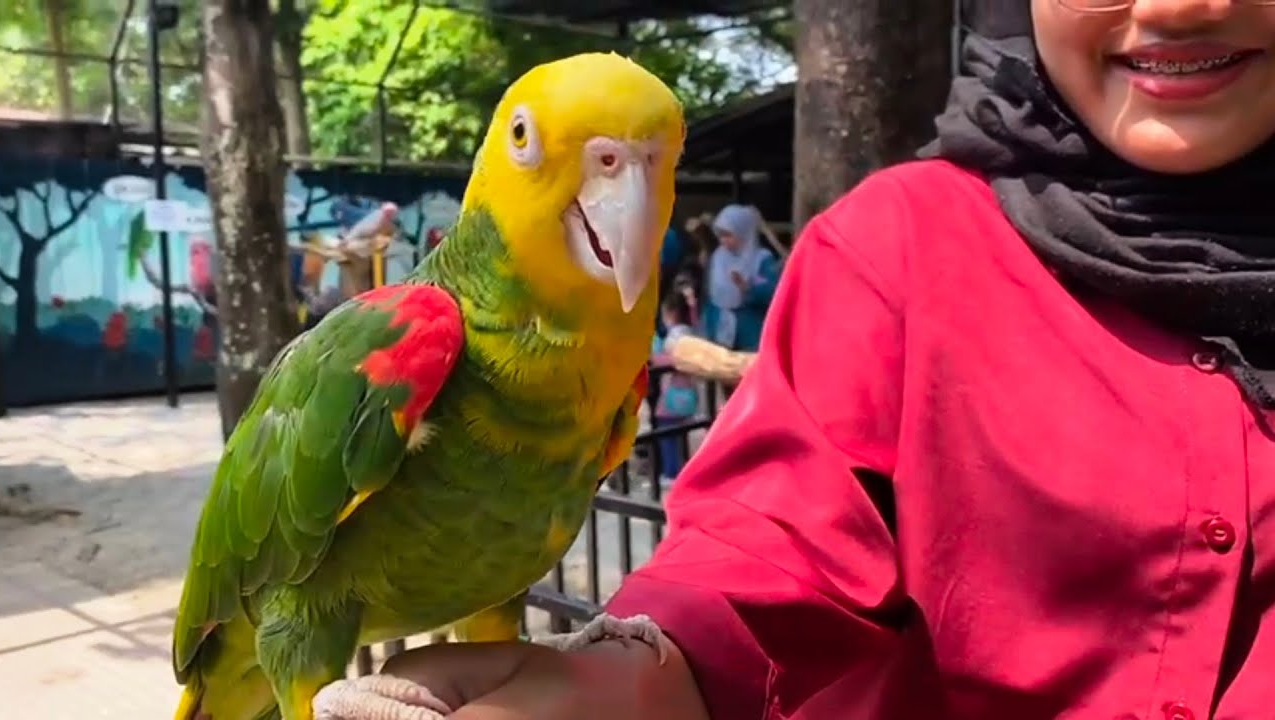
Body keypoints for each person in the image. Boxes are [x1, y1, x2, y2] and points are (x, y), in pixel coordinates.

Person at [314, 1, 1275, 718]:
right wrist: (613, 686)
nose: (1179, 4)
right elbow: (772, 552)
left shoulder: (615, 367)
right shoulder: (894, 245)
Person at [702, 204, 781, 352]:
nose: (724, 241)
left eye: (728, 235)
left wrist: (748, 288)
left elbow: (773, 291)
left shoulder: (761, 260)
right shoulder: (718, 258)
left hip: (751, 331)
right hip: (720, 332)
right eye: (720, 235)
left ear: (742, 232)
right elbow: (711, 295)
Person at [649, 290, 700, 486]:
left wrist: (654, 349)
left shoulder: (674, 337)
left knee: (667, 436)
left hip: (671, 396)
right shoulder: (691, 332)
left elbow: (667, 360)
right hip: (689, 394)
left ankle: (671, 473)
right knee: (683, 435)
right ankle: (684, 471)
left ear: (669, 313)